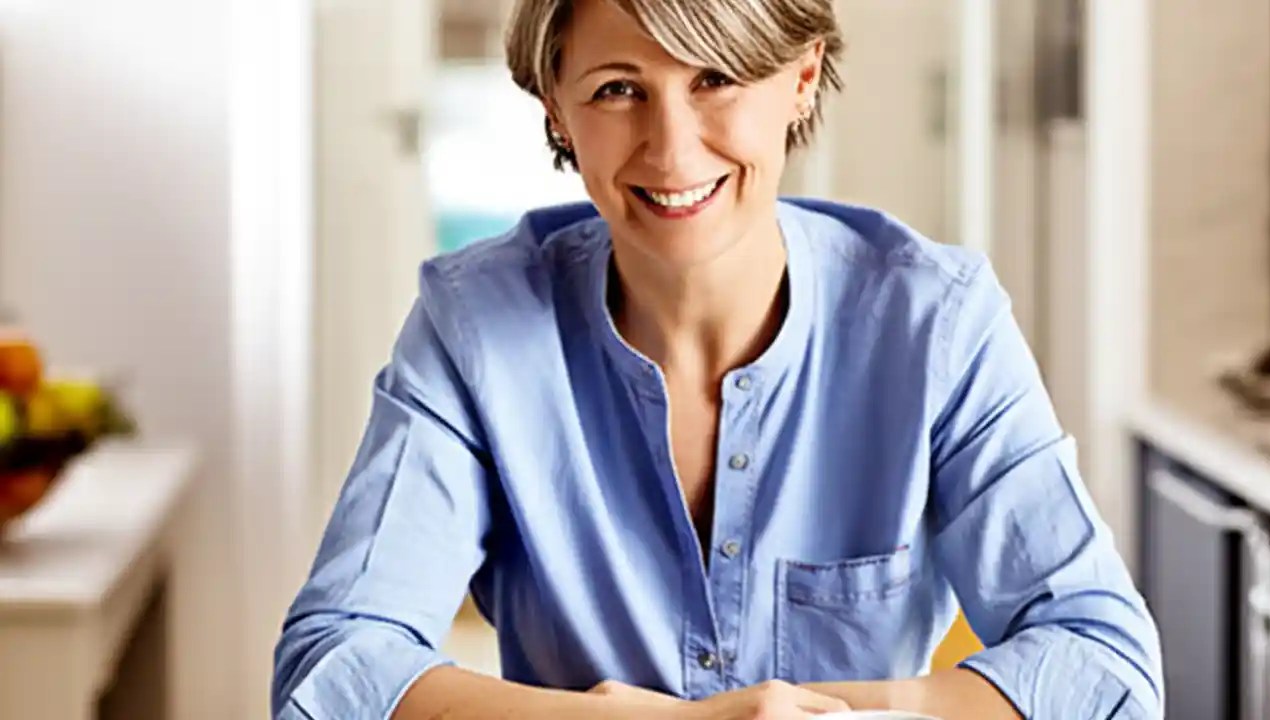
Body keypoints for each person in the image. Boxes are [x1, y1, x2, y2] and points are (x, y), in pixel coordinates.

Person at [272, 0, 1163, 718]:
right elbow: (335, 668)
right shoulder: (472, 327)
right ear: (556, 106)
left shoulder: (937, 321)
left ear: (802, 78)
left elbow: (1104, 663)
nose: (672, 148)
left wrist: (836, 716)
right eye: (619, 89)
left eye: (718, 77)